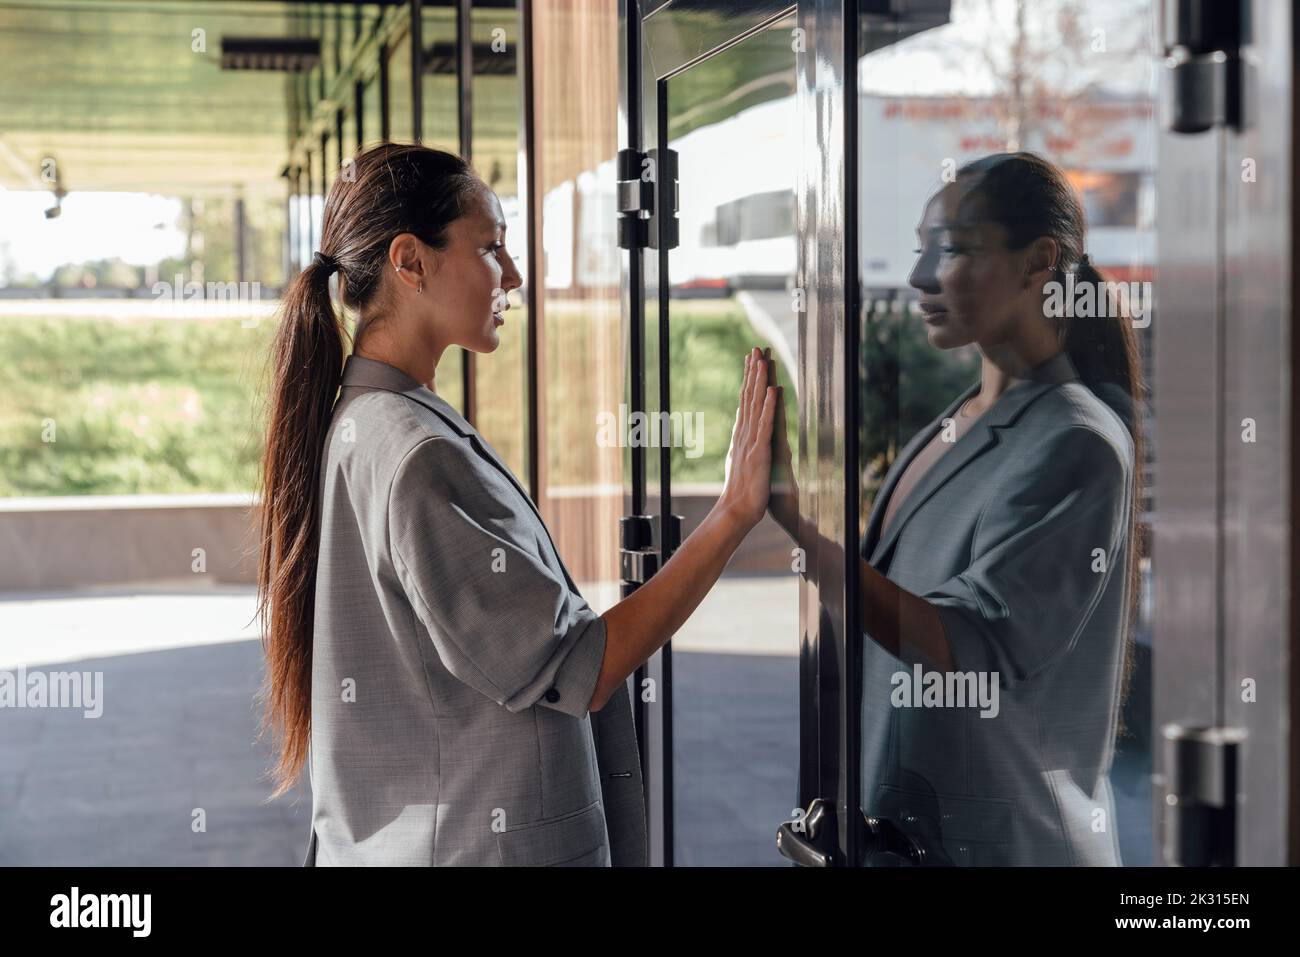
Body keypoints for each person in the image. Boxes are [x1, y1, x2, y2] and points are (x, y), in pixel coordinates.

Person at [254, 143, 777, 866]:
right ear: (410, 262)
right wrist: (733, 515)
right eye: (491, 247)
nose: (515, 275)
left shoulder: (370, 420)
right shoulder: (414, 449)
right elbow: (583, 668)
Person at [769, 152, 1142, 865]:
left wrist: (798, 529)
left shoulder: (1077, 441)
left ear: (1037, 263)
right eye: (922, 250)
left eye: (952, 249)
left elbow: (966, 645)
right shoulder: (954, 425)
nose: (918, 277)